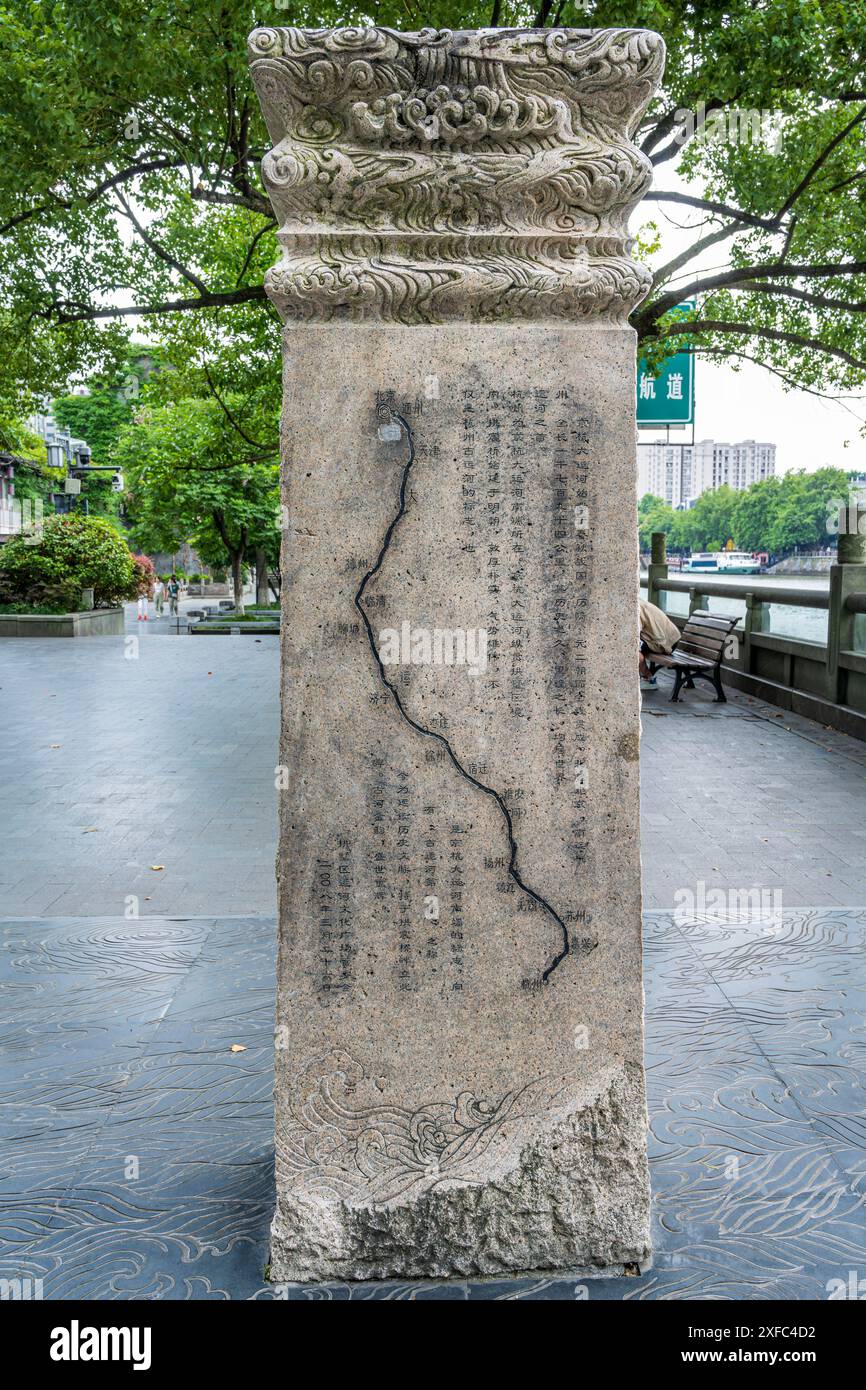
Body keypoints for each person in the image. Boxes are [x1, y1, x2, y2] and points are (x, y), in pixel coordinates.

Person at [639, 598, 680, 691]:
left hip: (665, 642)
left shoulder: (633, 608)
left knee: (631, 651)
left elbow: (633, 635)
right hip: (663, 638)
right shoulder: (635, 601)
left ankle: (649, 679)